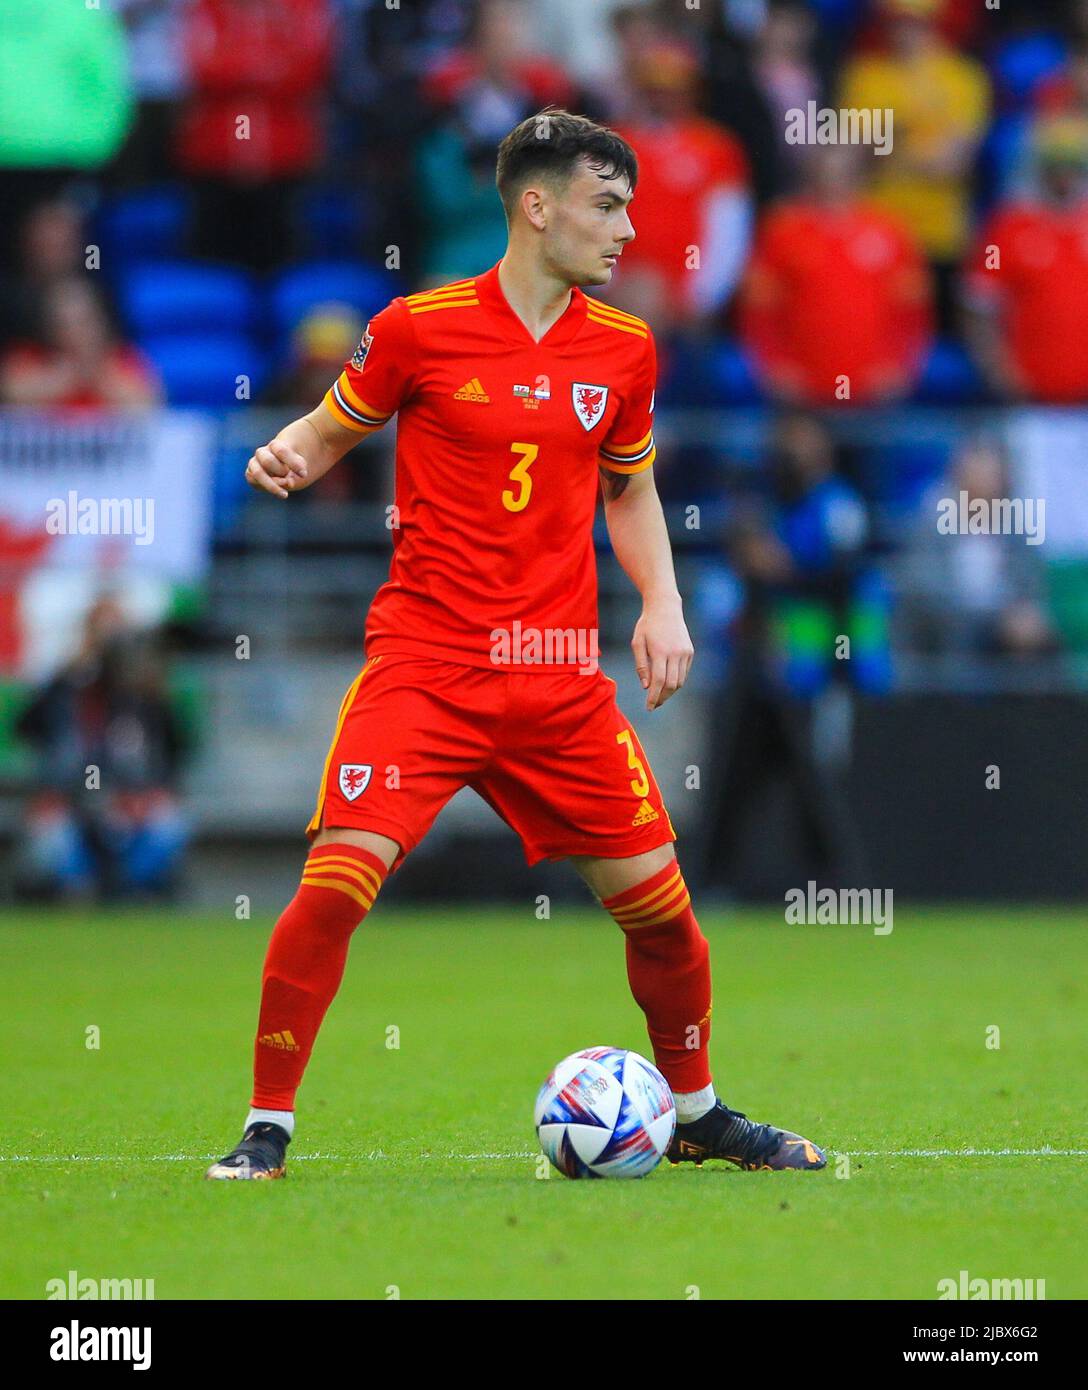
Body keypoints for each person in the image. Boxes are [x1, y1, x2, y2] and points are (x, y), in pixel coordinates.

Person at [206, 109, 827, 1180]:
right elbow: (331, 425)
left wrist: (662, 603)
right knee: (333, 888)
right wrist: (290, 453)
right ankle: (268, 1127)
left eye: (628, 207)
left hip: (558, 684)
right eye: (607, 205)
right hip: (426, 670)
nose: (627, 229)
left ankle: (697, 1114)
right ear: (536, 208)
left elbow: (629, 491)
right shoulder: (417, 326)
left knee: (667, 921)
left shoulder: (624, 348)